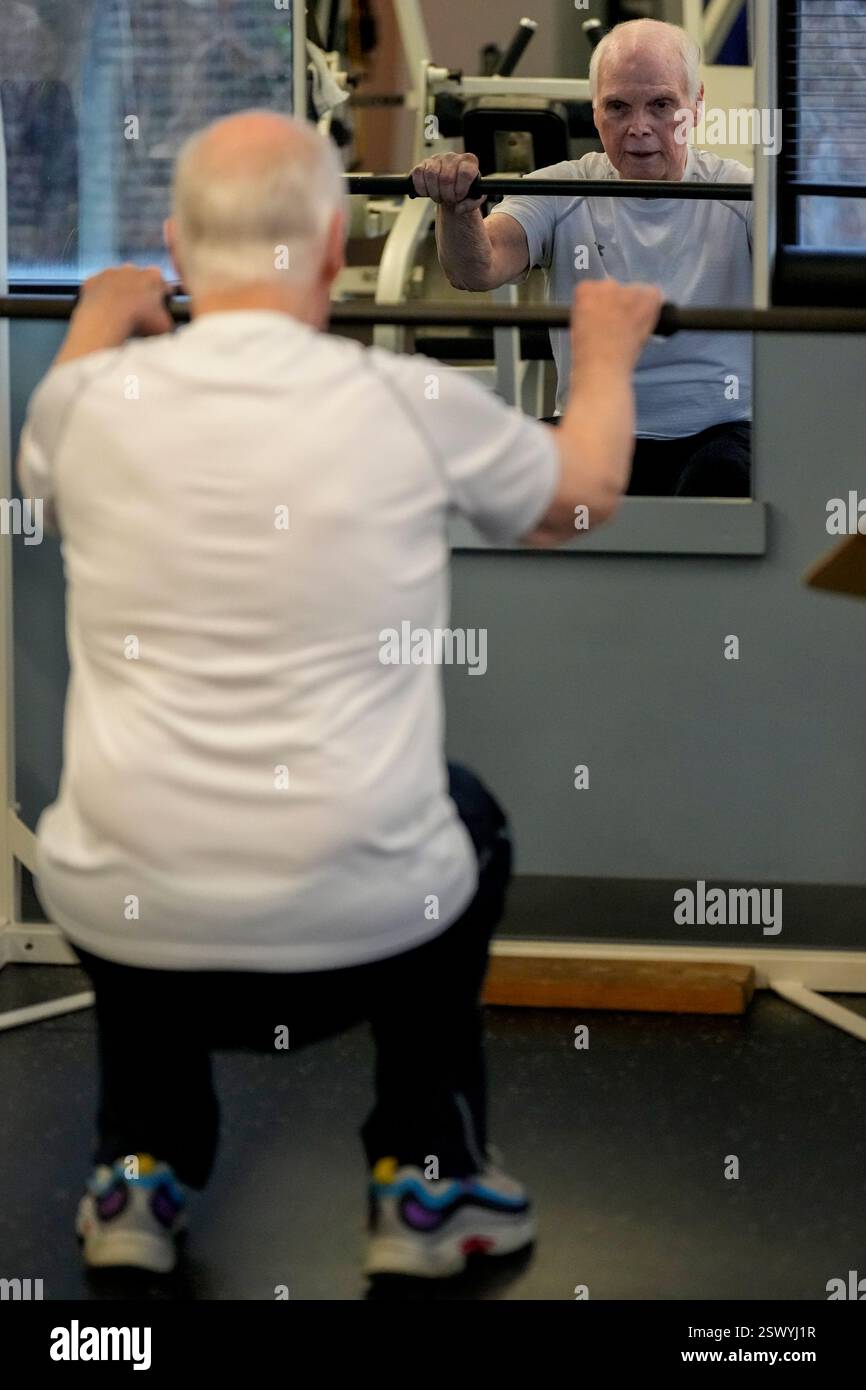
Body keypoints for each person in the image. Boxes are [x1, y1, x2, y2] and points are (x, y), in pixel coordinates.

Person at [16, 109, 661, 1281]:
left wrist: (98, 317)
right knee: (466, 815)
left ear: (175, 245)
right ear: (331, 250)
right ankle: (428, 1189)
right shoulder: (408, 402)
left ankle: (136, 1177)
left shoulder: (86, 406)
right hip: (359, 935)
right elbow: (580, 499)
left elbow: (41, 456)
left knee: (138, 820)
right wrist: (607, 353)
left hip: (121, 927)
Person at [413, 18, 753, 499]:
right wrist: (459, 207)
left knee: (719, 484)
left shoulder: (743, 195)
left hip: (717, 434)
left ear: (696, 106)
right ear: (595, 112)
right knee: (501, 479)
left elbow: (813, 274)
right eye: (618, 107)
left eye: (661, 105)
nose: (639, 129)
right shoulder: (561, 189)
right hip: (594, 432)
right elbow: (476, 268)